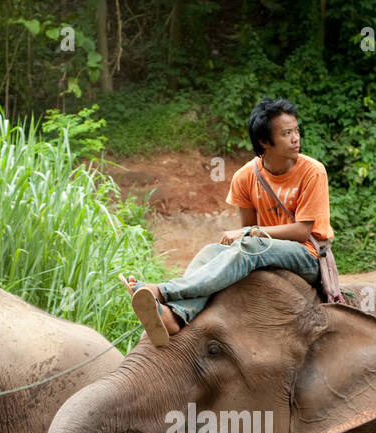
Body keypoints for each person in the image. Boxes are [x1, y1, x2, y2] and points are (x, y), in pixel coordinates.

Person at [122, 97, 334, 345]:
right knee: (212, 251)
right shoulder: (245, 176)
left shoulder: (313, 171)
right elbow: (248, 229)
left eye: (296, 130)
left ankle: (164, 291)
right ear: (265, 141)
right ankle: (175, 316)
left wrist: (250, 233)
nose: (296, 138)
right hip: (266, 249)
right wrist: (247, 234)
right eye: (287, 133)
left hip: (308, 255)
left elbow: (301, 231)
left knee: (251, 246)